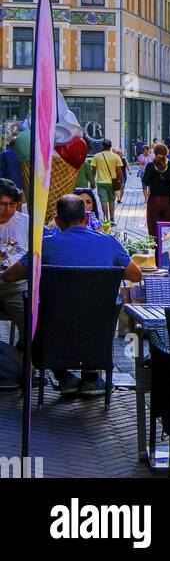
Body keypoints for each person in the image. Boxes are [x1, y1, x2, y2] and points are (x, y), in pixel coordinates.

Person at [2, 193, 142, 397]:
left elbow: (8, 276)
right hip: (98, 328)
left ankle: (63, 376)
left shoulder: (45, 245)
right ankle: (91, 377)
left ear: (57, 222)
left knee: (32, 311)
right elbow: (135, 275)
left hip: (54, 328)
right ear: (86, 218)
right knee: (97, 308)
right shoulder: (109, 242)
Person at [0, 178, 28, 338]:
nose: (7, 209)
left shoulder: (26, 223)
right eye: (2, 204)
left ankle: (22, 354)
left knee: (32, 322)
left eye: (11, 204)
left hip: (16, 287)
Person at [142, 143, 170, 239]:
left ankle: (155, 249)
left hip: (154, 200)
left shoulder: (150, 166)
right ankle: (167, 249)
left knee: (153, 227)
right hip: (169, 200)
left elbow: (145, 182)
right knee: (169, 227)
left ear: (154, 153)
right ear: (166, 153)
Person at [92, 139, 123, 222]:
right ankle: (112, 218)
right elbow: (119, 171)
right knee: (112, 200)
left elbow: (93, 171)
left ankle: (106, 218)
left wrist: (92, 182)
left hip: (100, 182)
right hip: (112, 182)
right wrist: (119, 181)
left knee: (103, 201)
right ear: (110, 146)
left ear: (102, 146)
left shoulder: (96, 156)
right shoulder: (116, 156)